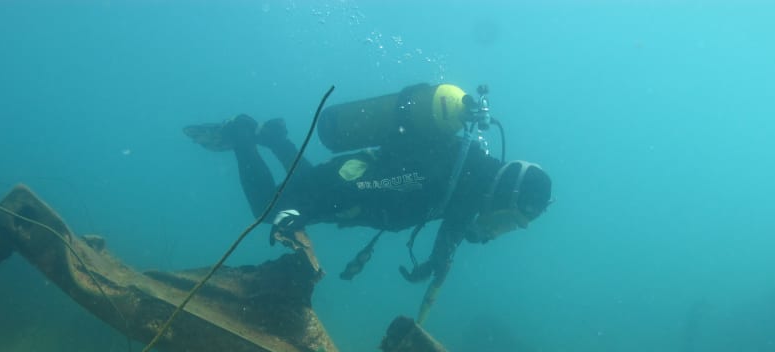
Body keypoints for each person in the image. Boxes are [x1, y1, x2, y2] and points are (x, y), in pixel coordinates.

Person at [184, 83, 552, 323]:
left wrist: (437, 259)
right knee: (268, 209)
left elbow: (455, 221)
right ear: (502, 197)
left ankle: (276, 138)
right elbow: (372, 185)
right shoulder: (441, 176)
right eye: (508, 220)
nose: (498, 231)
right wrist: (301, 214)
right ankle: (242, 131)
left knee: (306, 190)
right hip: (351, 183)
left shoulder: (471, 181)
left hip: (354, 198)